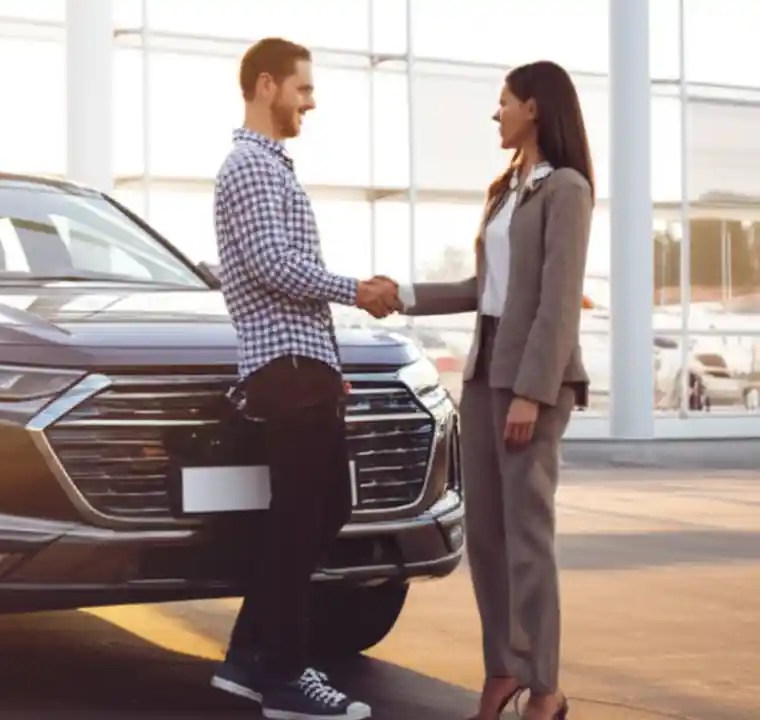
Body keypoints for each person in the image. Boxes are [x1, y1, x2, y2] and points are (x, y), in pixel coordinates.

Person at [379, 60, 594, 720]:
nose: (495, 114)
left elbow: (558, 300)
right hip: (482, 373)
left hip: (531, 376)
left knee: (528, 537)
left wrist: (532, 392)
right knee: (487, 537)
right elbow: (485, 290)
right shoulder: (504, 191)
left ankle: (545, 685)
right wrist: (402, 293)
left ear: (534, 107)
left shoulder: (566, 189)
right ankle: (502, 669)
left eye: (504, 102)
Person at [209, 36, 398, 720]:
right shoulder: (251, 166)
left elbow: (281, 271)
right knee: (298, 521)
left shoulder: (268, 166)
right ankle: (286, 677)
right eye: (304, 89)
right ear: (267, 85)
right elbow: (272, 265)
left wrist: (328, 365)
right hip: (285, 368)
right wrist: (357, 290)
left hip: (302, 365)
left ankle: (247, 658)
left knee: (320, 511)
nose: (310, 103)